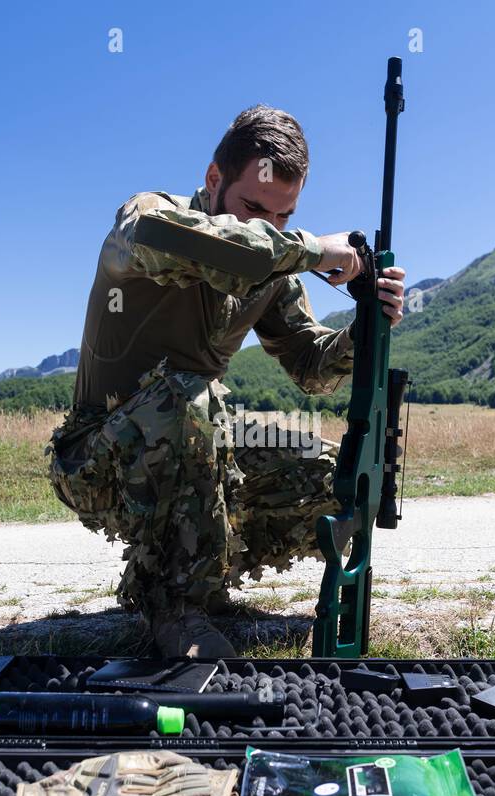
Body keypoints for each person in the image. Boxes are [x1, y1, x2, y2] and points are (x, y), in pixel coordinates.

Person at [48, 105, 405, 657]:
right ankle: (176, 610)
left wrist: (367, 326)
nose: (269, 228)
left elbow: (311, 366)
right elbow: (203, 245)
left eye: (284, 217)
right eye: (254, 209)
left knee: (334, 477)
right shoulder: (151, 219)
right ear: (214, 180)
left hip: (194, 441)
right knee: (190, 396)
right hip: (95, 459)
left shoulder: (272, 270)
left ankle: (204, 588)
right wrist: (309, 248)